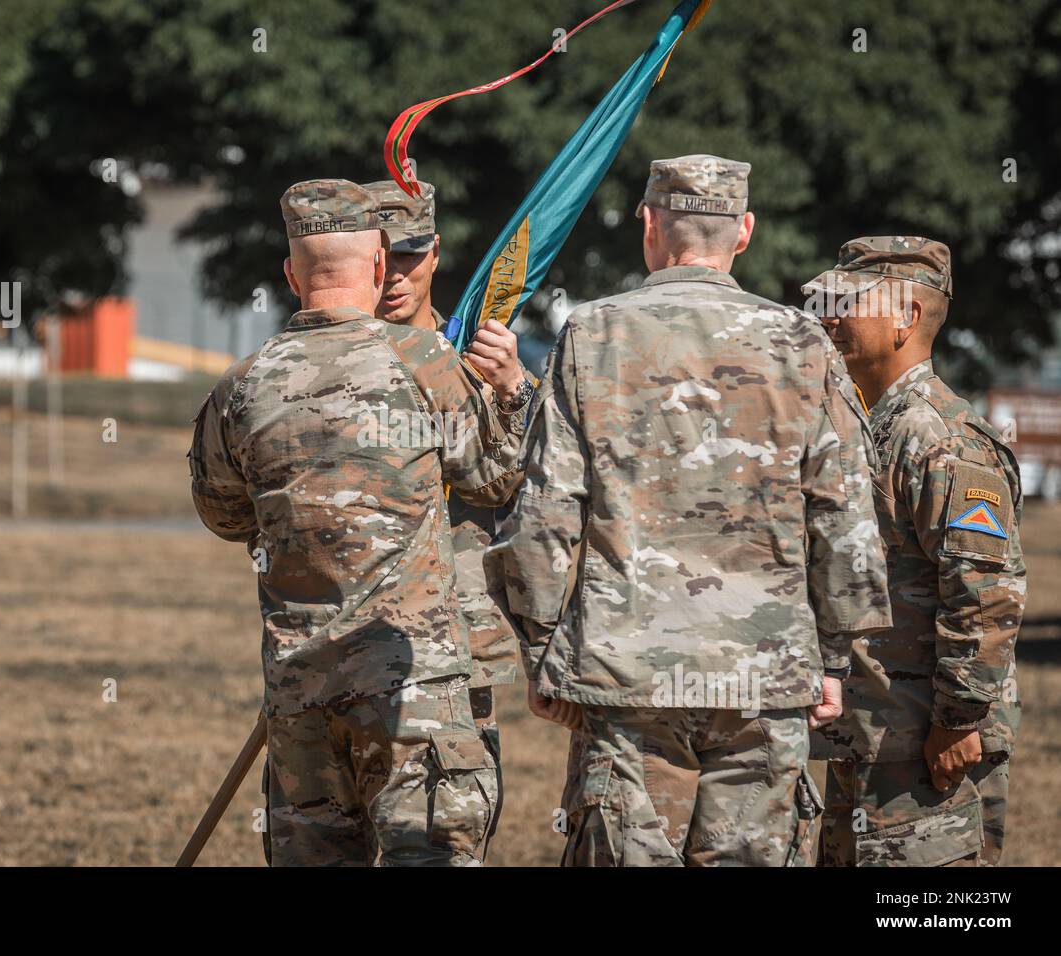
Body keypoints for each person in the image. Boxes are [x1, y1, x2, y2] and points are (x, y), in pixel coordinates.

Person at [486, 154, 892, 866]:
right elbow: (845, 512)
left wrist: (542, 648)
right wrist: (836, 658)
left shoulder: (593, 334)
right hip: (765, 676)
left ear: (648, 225)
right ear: (745, 232)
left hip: (626, 676)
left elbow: (544, 511)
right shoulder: (803, 343)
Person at [188, 179, 521, 865]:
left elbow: (222, 514)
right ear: (376, 266)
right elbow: (496, 476)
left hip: (301, 695)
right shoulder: (425, 363)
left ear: (290, 273)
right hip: (412, 697)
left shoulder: (242, 384)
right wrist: (513, 397)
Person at [801, 237, 1025, 866]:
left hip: (927, 747)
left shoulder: (939, 439)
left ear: (906, 318)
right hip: (868, 736)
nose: (829, 317)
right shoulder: (871, 423)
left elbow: (984, 594)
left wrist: (957, 720)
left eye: (847, 303)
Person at [363, 178, 537, 854]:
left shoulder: (477, 362)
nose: (392, 275)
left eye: (408, 255)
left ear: (435, 252)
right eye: (377, 257)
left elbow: (535, 486)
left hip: (454, 649)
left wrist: (515, 391)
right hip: (343, 645)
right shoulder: (332, 367)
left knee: (445, 843)